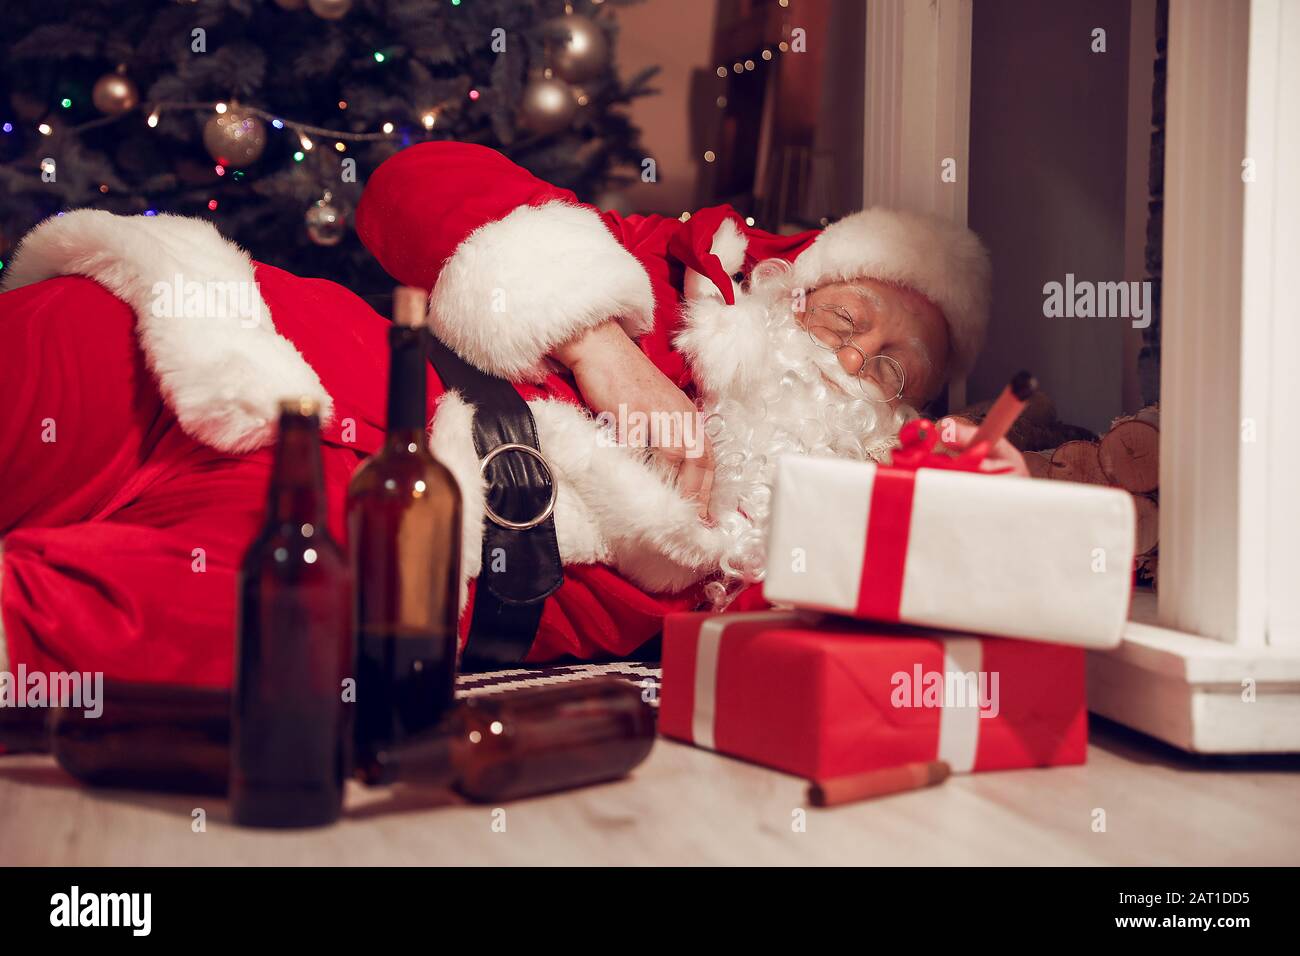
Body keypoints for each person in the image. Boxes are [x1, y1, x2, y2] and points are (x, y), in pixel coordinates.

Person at [0, 142, 1023, 686]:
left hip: (378, 570)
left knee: (47, 649)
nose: (850, 360)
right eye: (848, 319)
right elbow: (411, 183)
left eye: (893, 370)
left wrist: (994, 485)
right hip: (238, 351)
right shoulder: (663, 276)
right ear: (788, 285)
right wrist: (600, 343)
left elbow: (932, 581)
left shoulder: (807, 530)